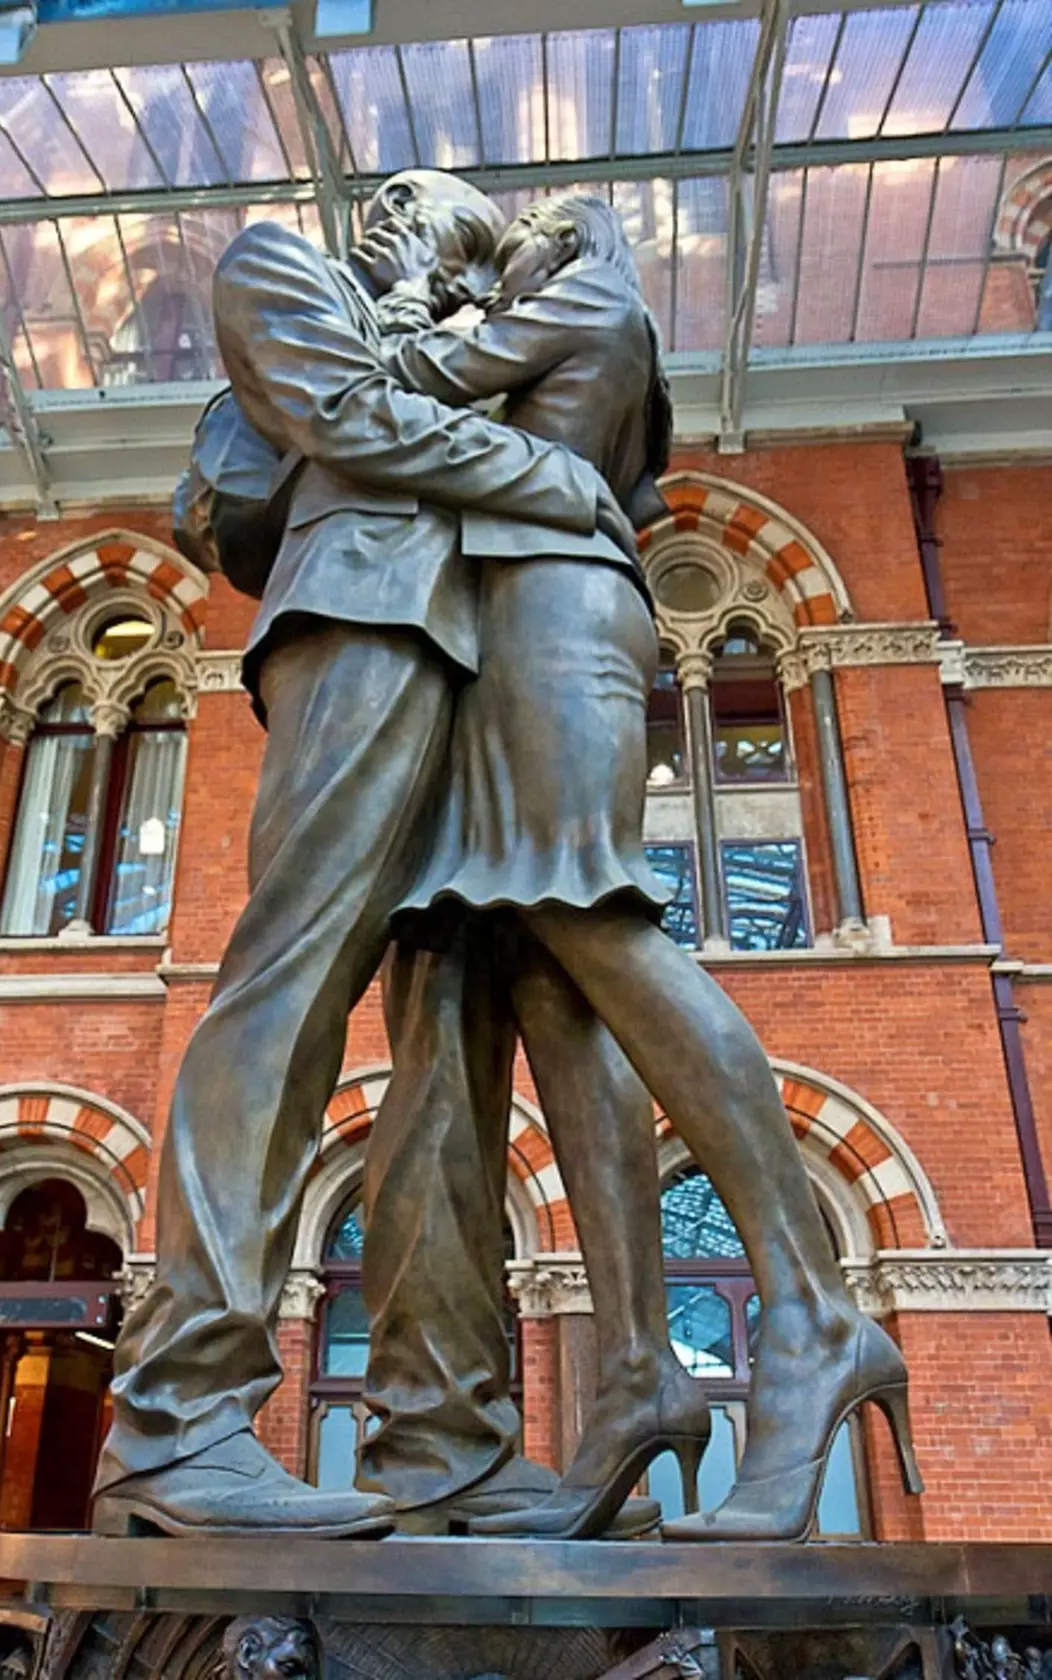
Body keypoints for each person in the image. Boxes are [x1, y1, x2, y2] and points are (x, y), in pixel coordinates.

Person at [91, 170, 653, 1540]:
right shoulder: (284, 268)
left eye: (437, 211)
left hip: (479, 673)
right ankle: (178, 1421)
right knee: (285, 988)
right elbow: (339, 420)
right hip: (359, 627)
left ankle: (441, 1440)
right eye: (396, 196)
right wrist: (556, 481)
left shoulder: (479, 341)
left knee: (455, 1052)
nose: (395, 211)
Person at [364, 195, 922, 1542]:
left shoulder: (589, 303)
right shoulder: (556, 329)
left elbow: (397, 389)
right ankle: (631, 1371)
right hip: (513, 623)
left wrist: (410, 285)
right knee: (554, 976)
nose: (520, 241)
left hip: (557, 613)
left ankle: (809, 1313)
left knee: (591, 916)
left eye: (542, 223)